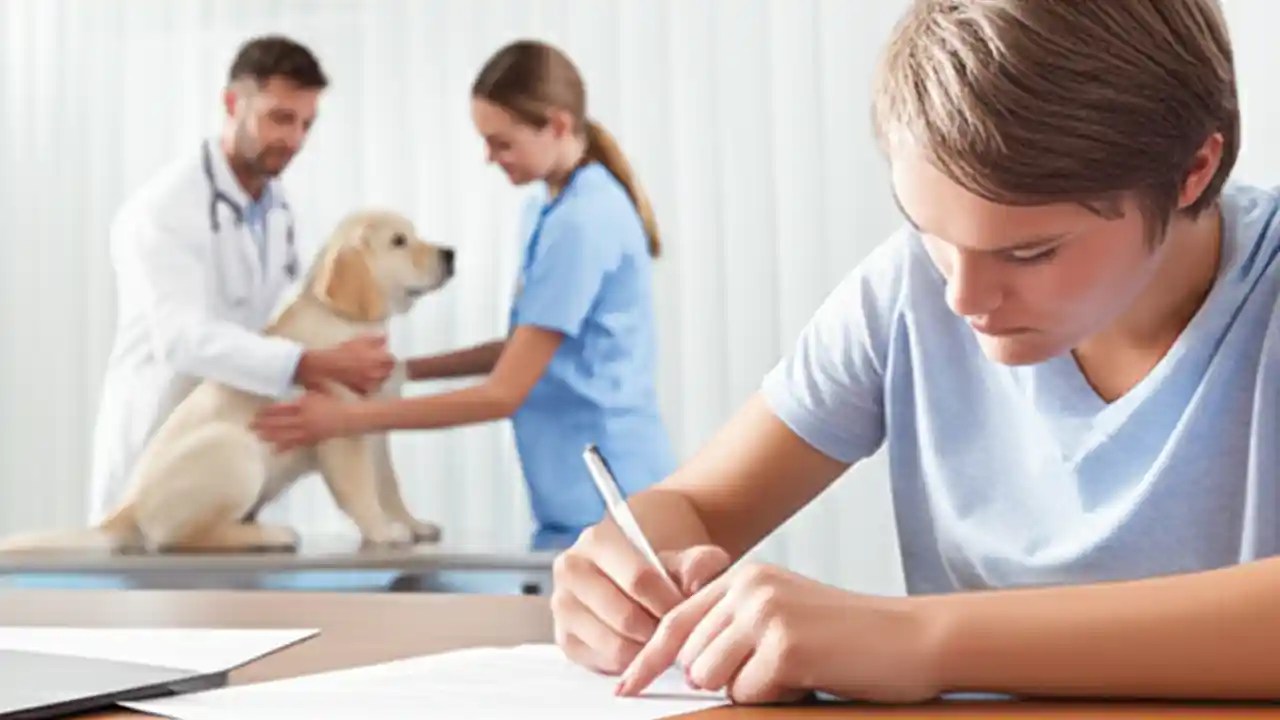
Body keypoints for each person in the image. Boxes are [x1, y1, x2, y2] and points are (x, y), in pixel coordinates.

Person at [547, 0, 1280, 706]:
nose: (963, 298)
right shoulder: (908, 288)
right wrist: (623, 570)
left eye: (1030, 252)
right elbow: (694, 508)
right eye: (930, 231)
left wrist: (921, 640)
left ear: (1193, 171)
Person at [251, 40, 676, 551]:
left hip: (613, 493)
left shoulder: (584, 222)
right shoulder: (546, 209)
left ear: (559, 126)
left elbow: (504, 392)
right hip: (570, 493)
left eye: (502, 143)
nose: (490, 158)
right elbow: (523, 348)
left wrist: (346, 418)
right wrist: (405, 370)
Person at [89, 35, 394, 523]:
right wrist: (309, 363)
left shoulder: (278, 211)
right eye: (279, 118)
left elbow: (286, 317)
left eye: (305, 124)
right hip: (159, 437)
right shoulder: (164, 210)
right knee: (155, 595)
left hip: (233, 447)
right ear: (233, 104)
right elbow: (182, 338)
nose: (293, 139)